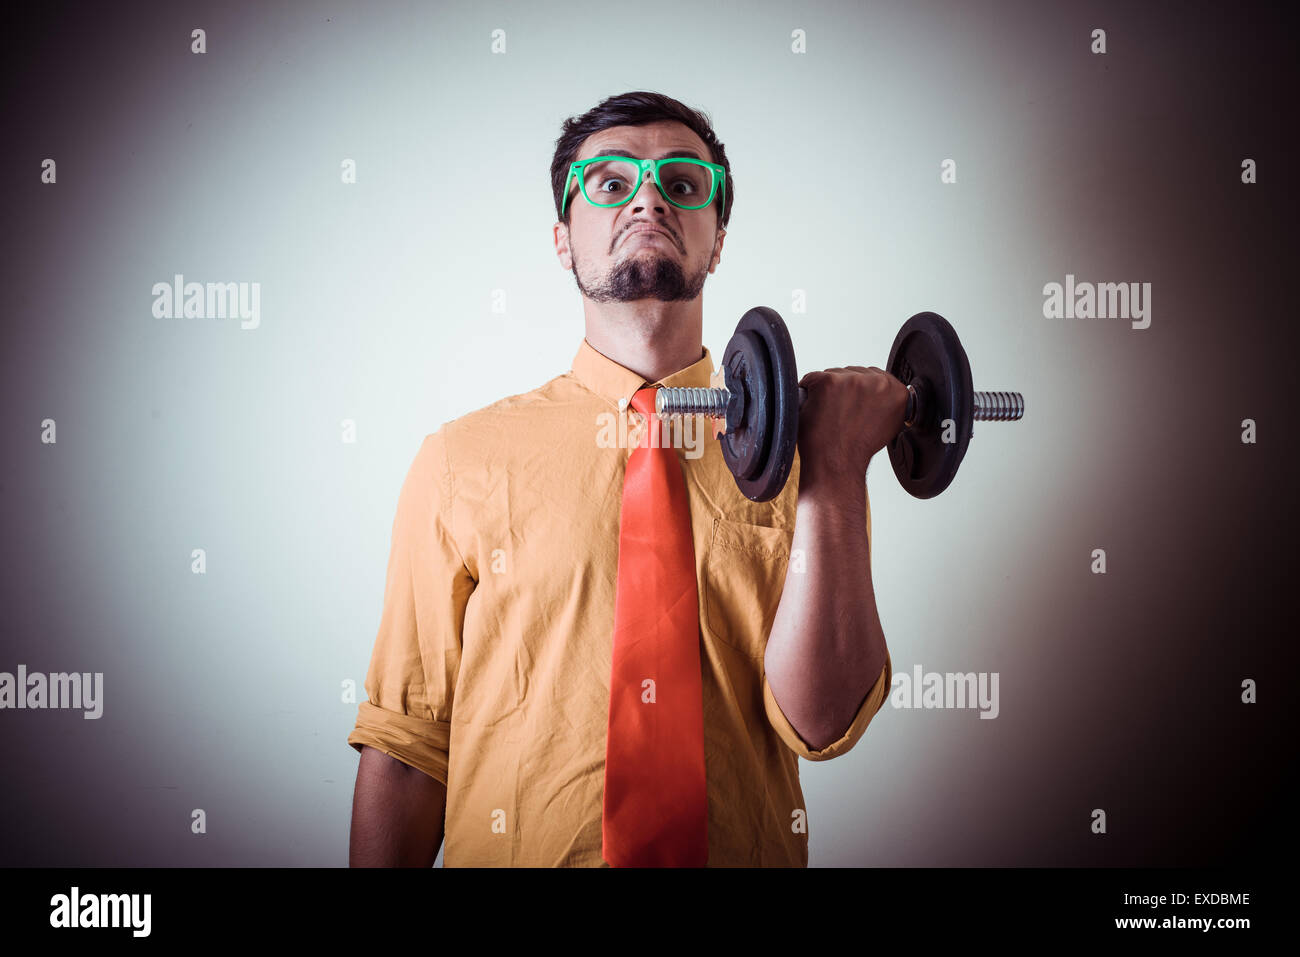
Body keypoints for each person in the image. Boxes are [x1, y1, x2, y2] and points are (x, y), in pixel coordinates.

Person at [347, 91, 906, 867]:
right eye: (611, 183)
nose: (648, 196)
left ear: (717, 243)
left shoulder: (813, 460)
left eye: (682, 184)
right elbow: (408, 748)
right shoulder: (459, 460)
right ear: (562, 240)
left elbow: (820, 721)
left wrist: (838, 473)